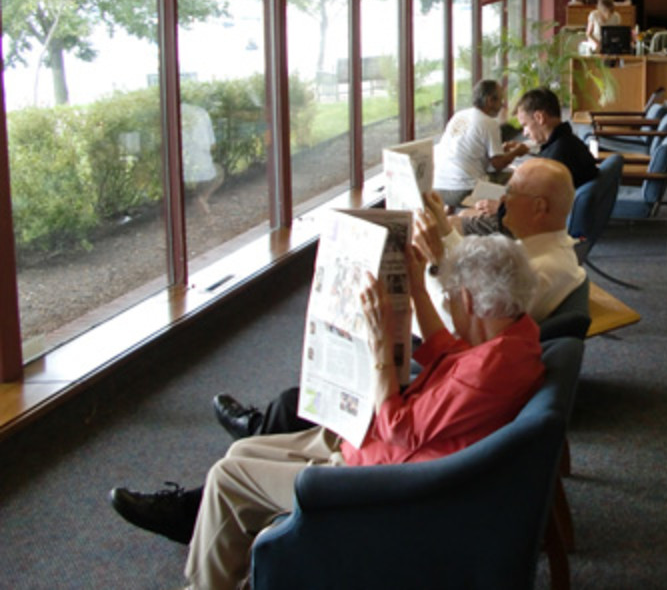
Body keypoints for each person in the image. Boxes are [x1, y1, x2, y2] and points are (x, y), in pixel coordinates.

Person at [109, 233, 545, 590]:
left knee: (227, 478)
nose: (448, 307)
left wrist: (378, 347)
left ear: (468, 301)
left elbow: (398, 429)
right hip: (391, 462)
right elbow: (447, 354)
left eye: (450, 298)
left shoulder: (489, 367)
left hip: (387, 484)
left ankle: (206, 585)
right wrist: (415, 285)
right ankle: (240, 571)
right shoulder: (515, 339)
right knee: (240, 455)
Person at [207, 160, 586, 440]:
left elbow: (464, 324)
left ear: (539, 207)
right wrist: (435, 256)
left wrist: (437, 265)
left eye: (512, 193)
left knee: (312, 393)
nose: (502, 201)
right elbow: (475, 308)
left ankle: (260, 431)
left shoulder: (544, 271)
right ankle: (262, 433)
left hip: (452, 376)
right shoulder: (540, 256)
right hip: (457, 364)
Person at [459, 86, 597, 236]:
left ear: (539, 118)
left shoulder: (554, 161)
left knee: (460, 218)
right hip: (555, 218)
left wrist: (500, 206)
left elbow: (534, 207)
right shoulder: (570, 143)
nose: (524, 133)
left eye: (525, 125)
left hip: (537, 228)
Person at [433, 79, 528, 207]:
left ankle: (450, 209)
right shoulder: (488, 123)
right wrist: (517, 152)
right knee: (517, 176)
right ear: (490, 100)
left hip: (439, 188)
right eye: (500, 100)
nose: (502, 105)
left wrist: (502, 150)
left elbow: (470, 151)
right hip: (465, 190)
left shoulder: (459, 116)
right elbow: (497, 164)